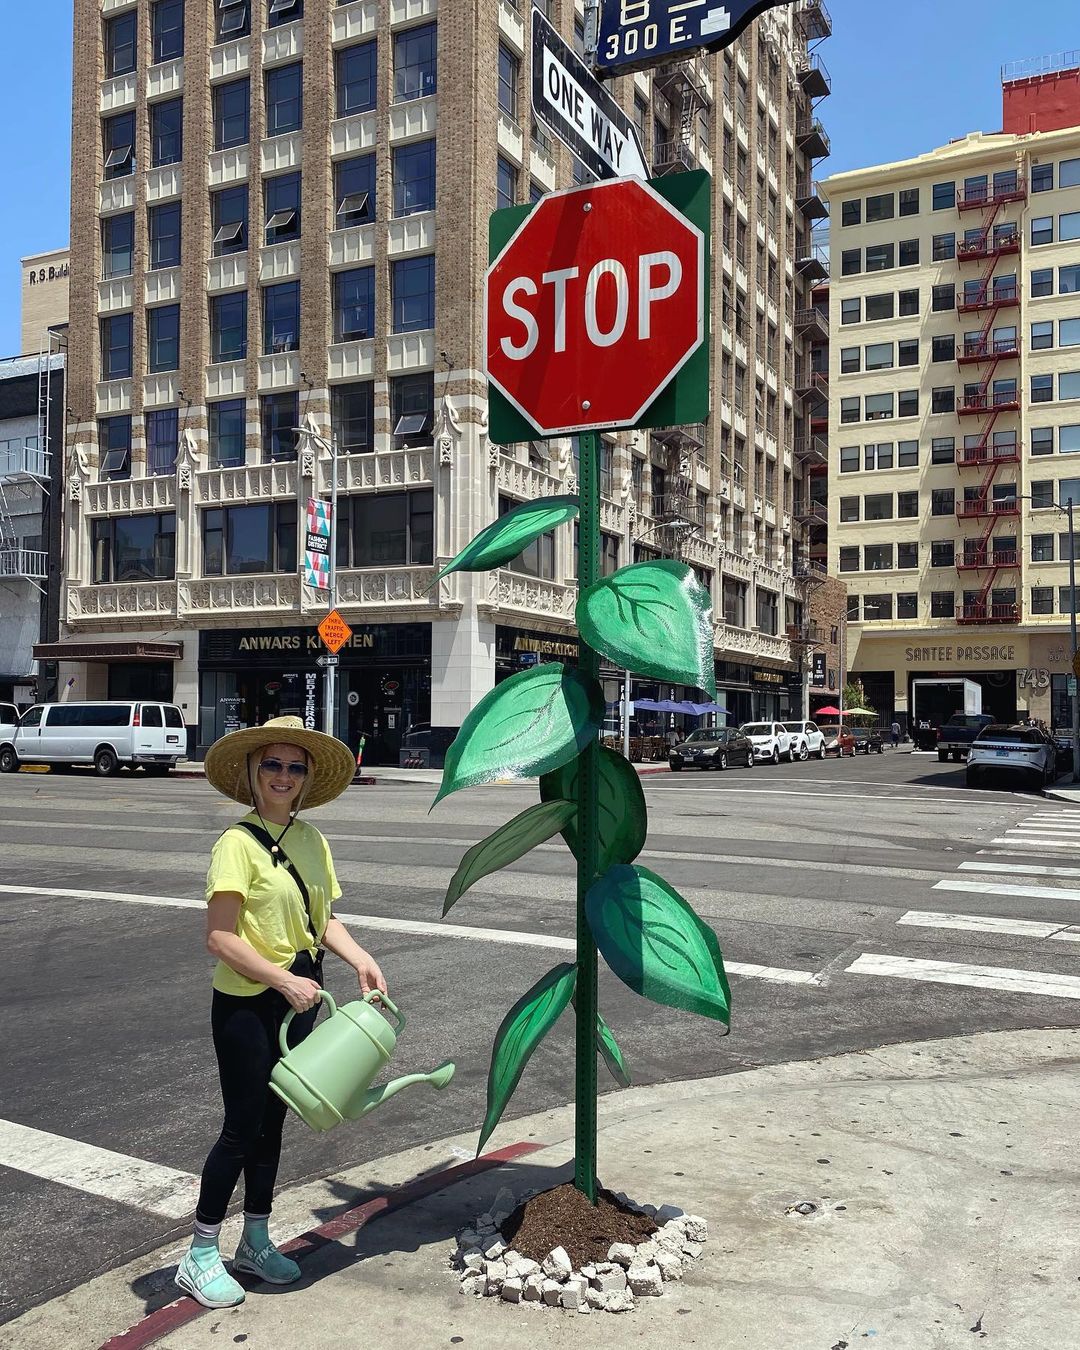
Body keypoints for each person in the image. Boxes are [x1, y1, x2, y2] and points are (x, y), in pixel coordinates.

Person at [175, 716, 387, 1309]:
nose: (284, 777)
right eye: (273, 764)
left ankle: (256, 1242)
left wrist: (359, 958)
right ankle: (199, 1254)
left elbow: (325, 919)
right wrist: (280, 980)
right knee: (241, 1128)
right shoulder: (236, 845)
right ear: (252, 771)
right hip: (248, 1002)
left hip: (301, 998)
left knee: (274, 1126)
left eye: (296, 767)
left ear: (307, 779)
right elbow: (219, 938)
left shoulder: (312, 841)